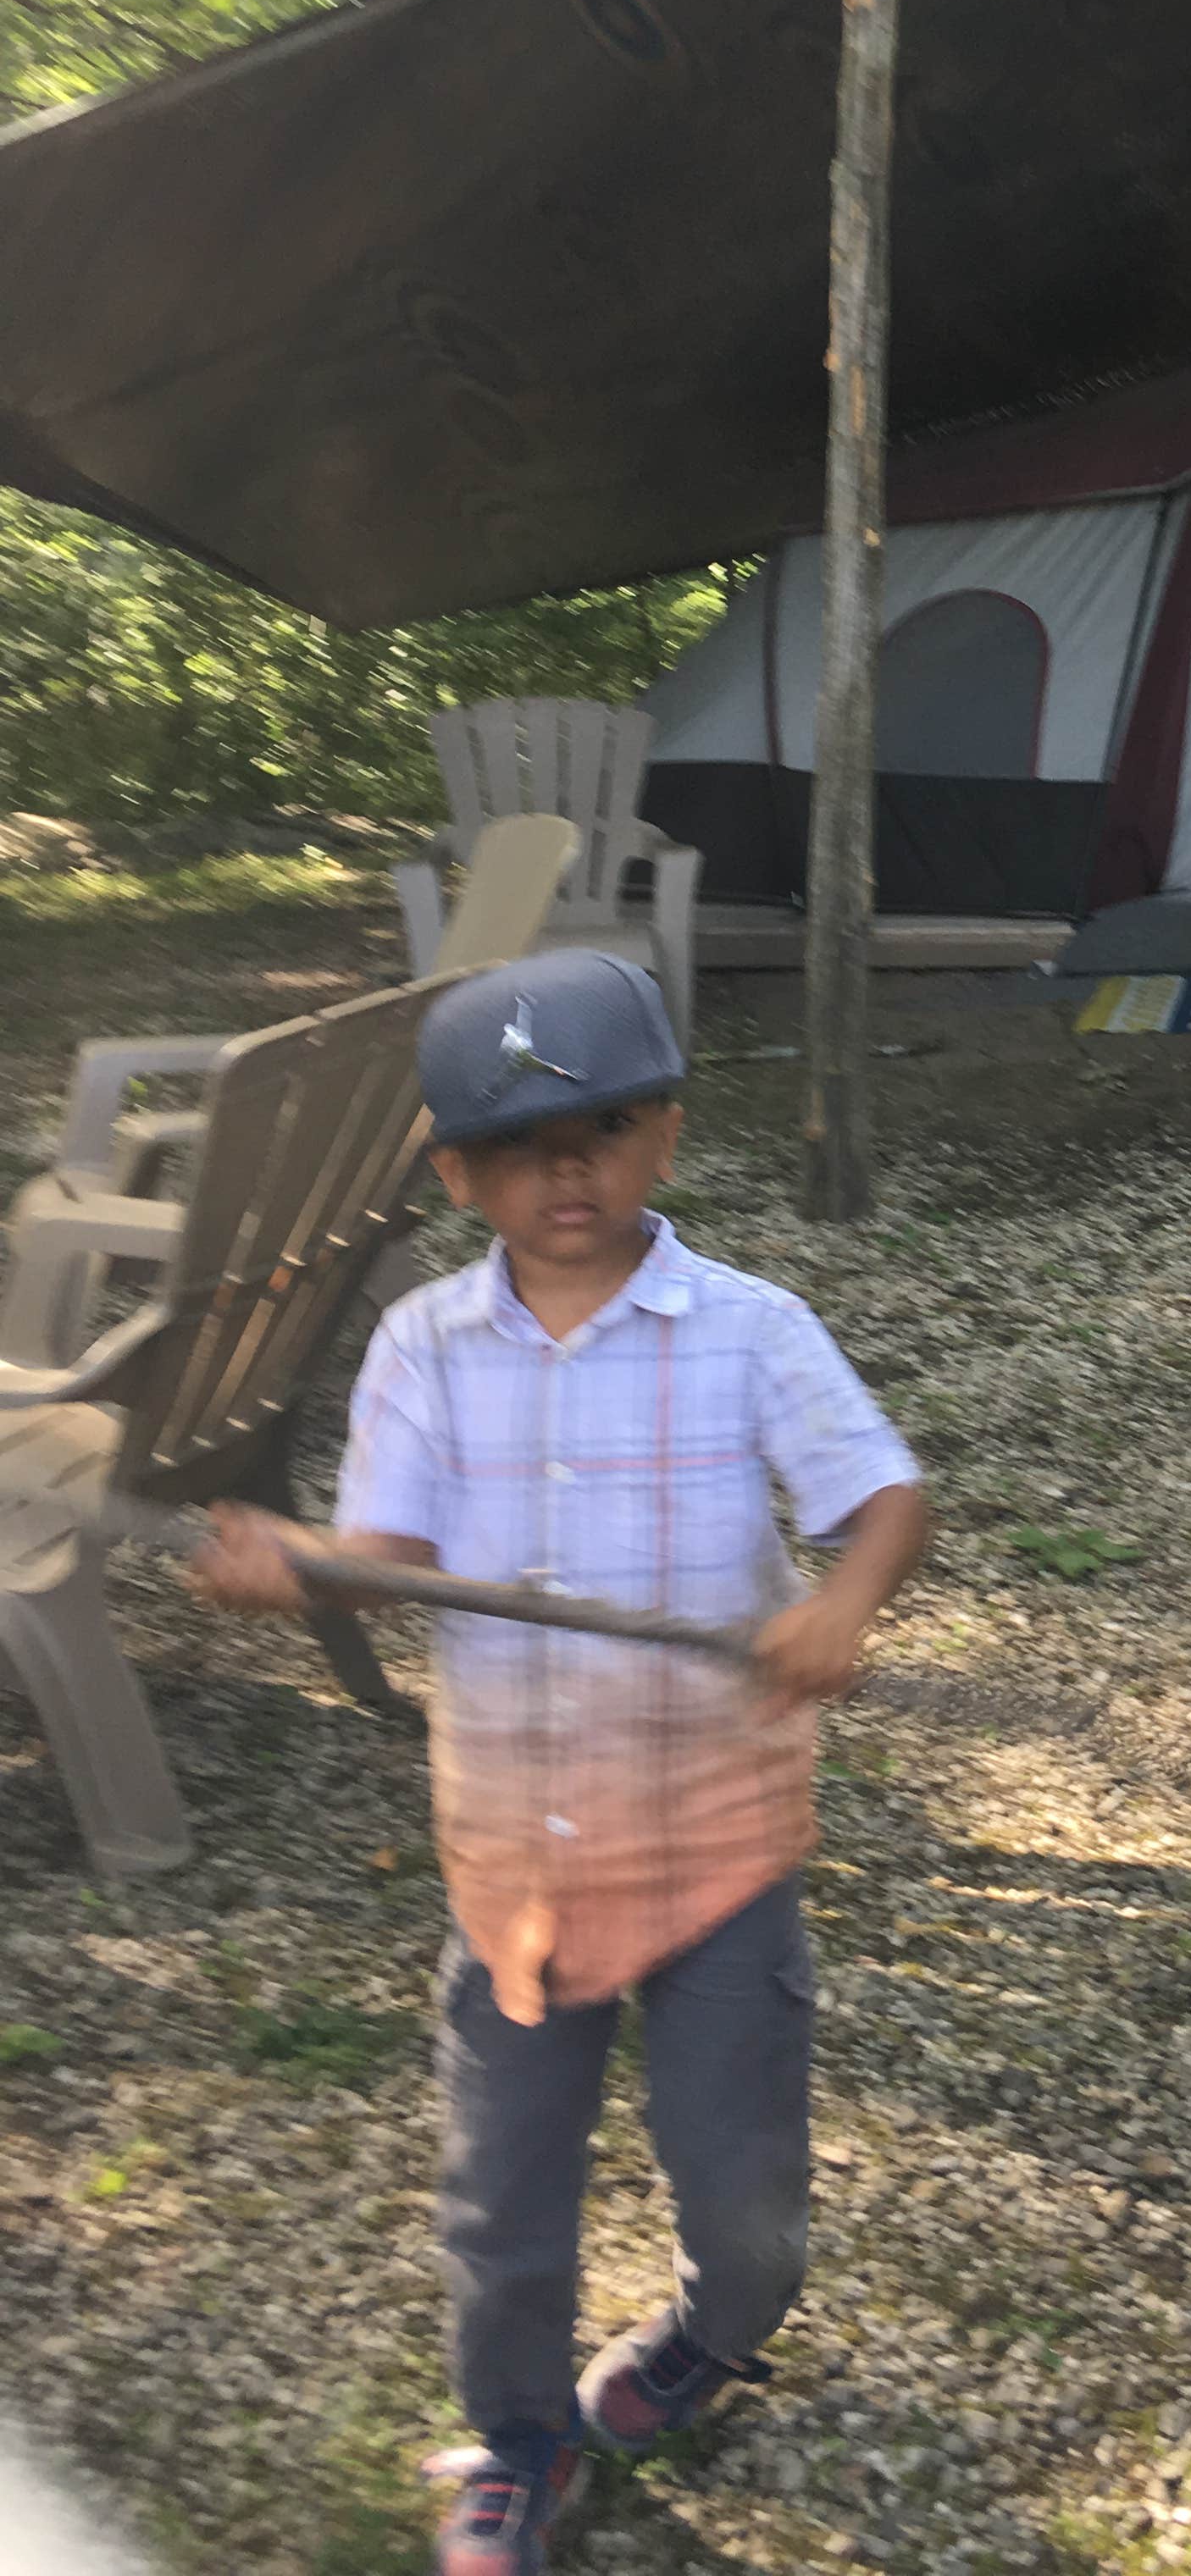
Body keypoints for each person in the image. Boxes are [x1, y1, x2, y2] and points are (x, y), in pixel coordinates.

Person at [190, 949, 928, 2574]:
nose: (564, 1167)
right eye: (519, 1145)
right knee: (497, 2204)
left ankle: (711, 2333)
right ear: (457, 1174)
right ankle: (517, 2439)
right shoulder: (423, 1347)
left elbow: (881, 1496)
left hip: (718, 1850)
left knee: (745, 2198)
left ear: (663, 1132)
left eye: (599, 1126)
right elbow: (385, 1551)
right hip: (514, 1863)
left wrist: (841, 1604)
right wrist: (297, 1559)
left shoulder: (751, 1332)